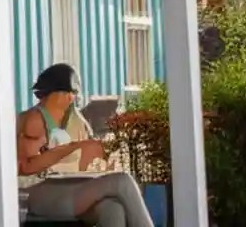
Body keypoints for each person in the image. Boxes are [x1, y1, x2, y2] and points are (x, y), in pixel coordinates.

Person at [18, 64, 152, 227]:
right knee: (122, 182)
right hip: (39, 193)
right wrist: (74, 147)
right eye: (65, 92)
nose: (70, 97)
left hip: (70, 187)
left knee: (112, 208)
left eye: (73, 93)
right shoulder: (34, 120)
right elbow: (26, 167)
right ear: (48, 92)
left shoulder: (74, 120)